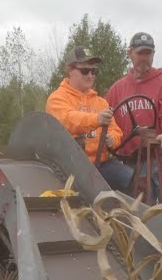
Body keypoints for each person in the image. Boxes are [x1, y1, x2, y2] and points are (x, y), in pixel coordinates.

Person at [106, 32, 162, 202]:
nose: (144, 58)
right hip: (135, 161)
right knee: (140, 215)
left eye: (148, 53)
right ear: (130, 53)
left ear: (153, 55)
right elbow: (105, 118)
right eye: (140, 53)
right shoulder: (117, 89)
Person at [45, 45, 133, 191]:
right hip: (70, 168)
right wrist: (96, 120)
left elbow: (116, 131)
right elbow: (67, 120)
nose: (90, 75)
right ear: (70, 71)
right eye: (85, 70)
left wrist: (113, 139)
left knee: (132, 179)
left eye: (94, 71)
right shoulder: (57, 99)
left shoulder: (101, 102)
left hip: (101, 166)